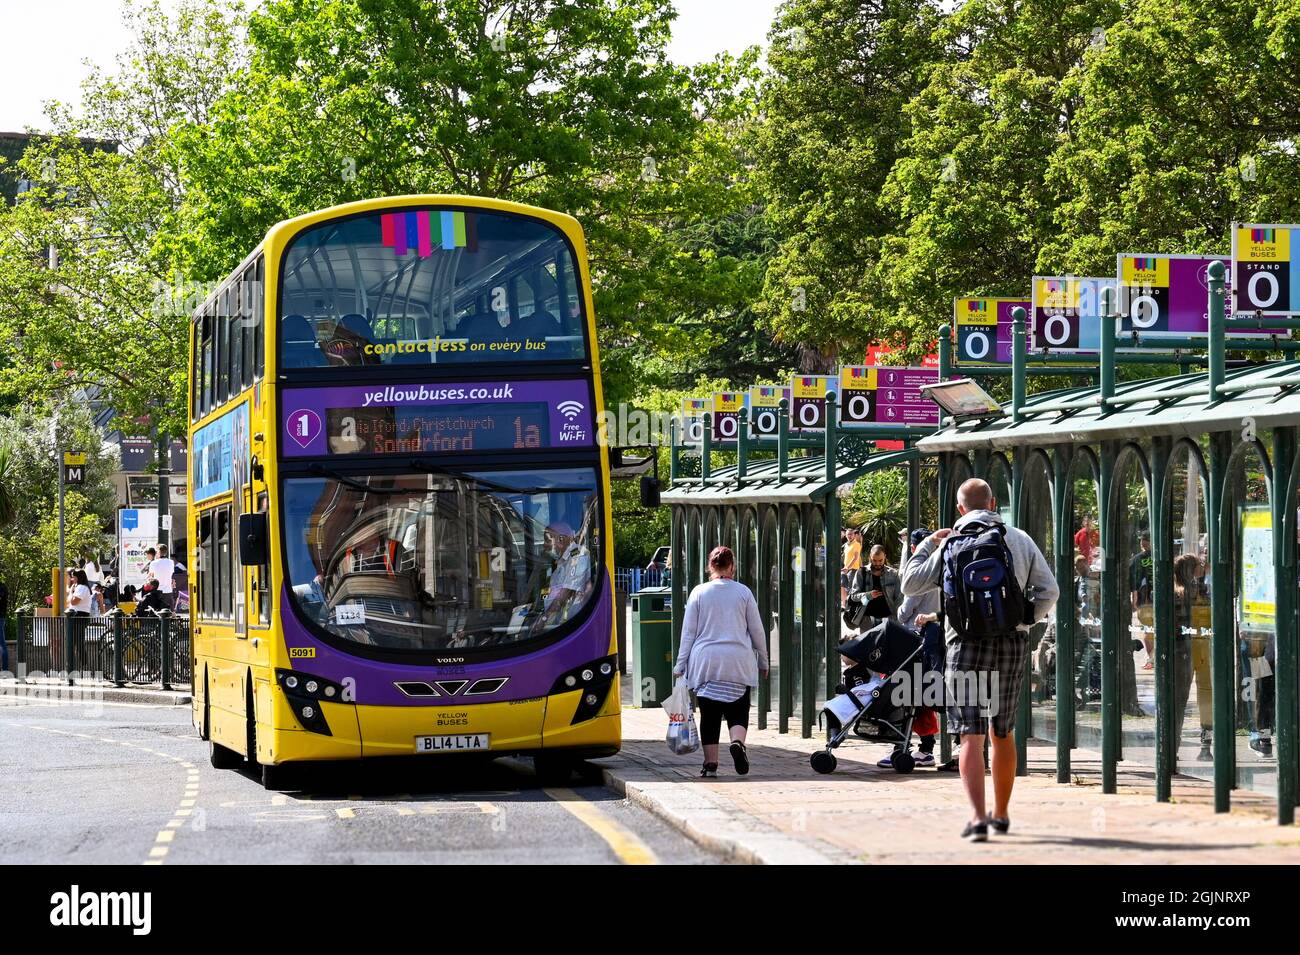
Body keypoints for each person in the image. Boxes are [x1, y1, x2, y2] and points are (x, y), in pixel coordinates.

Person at [901, 478, 1059, 842]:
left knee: (969, 737)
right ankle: (1001, 814)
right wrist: (1024, 619)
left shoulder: (950, 545)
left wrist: (929, 542)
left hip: (964, 644)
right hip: (1011, 643)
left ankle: (976, 818)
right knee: (1002, 731)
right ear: (993, 502)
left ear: (959, 510)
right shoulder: (1017, 538)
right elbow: (1050, 590)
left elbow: (910, 584)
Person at [673, 545, 770, 778]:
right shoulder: (744, 592)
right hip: (738, 660)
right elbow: (757, 630)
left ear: (710, 566)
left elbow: (688, 632)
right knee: (738, 709)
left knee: (710, 715)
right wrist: (763, 660)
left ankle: (711, 763)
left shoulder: (699, 592)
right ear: (732, 566)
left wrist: (680, 665)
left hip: (706, 662)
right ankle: (737, 742)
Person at [878, 528, 951, 771]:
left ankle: (906, 746)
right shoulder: (944, 568)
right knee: (925, 697)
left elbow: (903, 611)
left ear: (915, 549)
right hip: (937, 640)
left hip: (914, 641)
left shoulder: (921, 574)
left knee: (907, 696)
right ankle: (925, 747)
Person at [1172, 553, 1214, 763]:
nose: (1202, 567)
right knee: (1205, 699)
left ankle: (1173, 745)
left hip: (1181, 652)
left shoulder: (1173, 593)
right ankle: (1205, 746)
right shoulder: (1201, 591)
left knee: (1179, 701)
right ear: (1192, 569)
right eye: (1199, 565)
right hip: (1202, 649)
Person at [541, 521, 591, 625]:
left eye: (547, 540)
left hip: (573, 626)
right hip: (561, 624)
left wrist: (544, 620)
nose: (544, 545)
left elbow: (566, 591)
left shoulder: (578, 554)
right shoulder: (561, 561)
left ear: (561, 539)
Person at [849, 543, 902, 628]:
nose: (877, 563)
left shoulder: (893, 574)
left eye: (880, 560)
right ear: (870, 557)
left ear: (885, 556)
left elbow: (899, 599)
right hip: (867, 620)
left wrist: (896, 619)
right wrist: (868, 595)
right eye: (874, 560)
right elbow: (853, 596)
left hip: (888, 619)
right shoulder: (861, 572)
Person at [66, 569, 94, 674]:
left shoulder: (82, 587)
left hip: (79, 615)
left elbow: (74, 601)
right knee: (75, 642)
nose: (72, 579)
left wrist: (72, 592)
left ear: (79, 577)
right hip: (77, 615)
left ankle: (82, 666)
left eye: (74, 577)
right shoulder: (79, 587)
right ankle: (77, 666)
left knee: (77, 642)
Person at [149, 544, 178, 611]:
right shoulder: (171, 562)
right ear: (166, 552)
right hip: (168, 591)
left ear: (158, 552)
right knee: (169, 613)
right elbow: (171, 574)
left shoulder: (153, 563)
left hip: (157, 592)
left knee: (157, 613)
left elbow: (151, 577)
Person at [841, 528, 862, 605]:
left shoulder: (857, 544)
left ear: (854, 535)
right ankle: (844, 605)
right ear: (846, 535)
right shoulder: (846, 545)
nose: (849, 536)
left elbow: (855, 558)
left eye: (851, 534)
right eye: (848, 534)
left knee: (850, 588)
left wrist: (847, 567)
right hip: (845, 569)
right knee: (842, 586)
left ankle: (850, 606)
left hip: (852, 569)